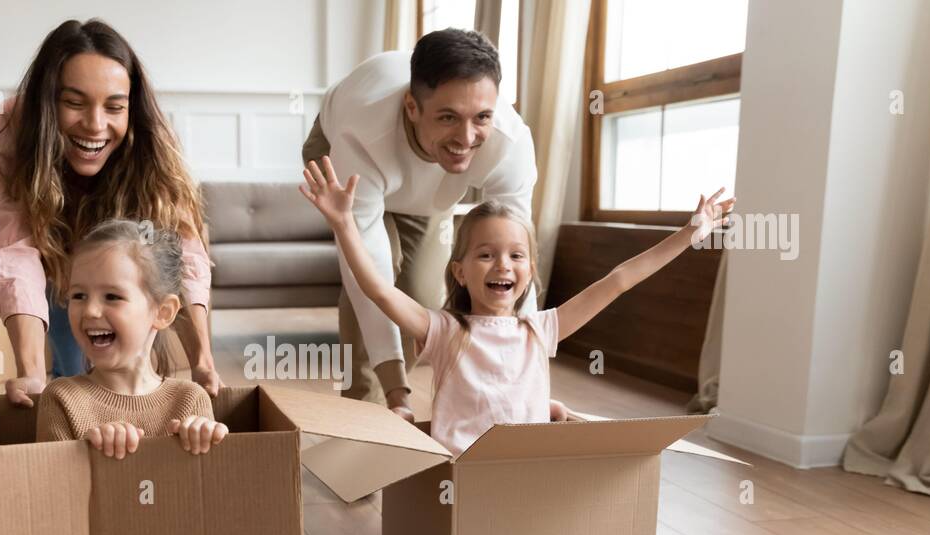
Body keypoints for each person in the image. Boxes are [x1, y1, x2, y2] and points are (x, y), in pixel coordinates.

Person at [301, 155, 735, 456]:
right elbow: (380, 291)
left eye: (516, 255)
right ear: (460, 271)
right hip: (461, 472)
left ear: (529, 270)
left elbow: (619, 280)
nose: (502, 264)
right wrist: (344, 225)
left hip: (525, 467)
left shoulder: (540, 328)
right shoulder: (445, 330)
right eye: (485, 254)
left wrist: (687, 235)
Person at [0, 19, 221, 407]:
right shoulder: (7, 139)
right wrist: (31, 370)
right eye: (73, 102)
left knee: (128, 375)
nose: (94, 125)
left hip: (128, 265)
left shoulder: (152, 139)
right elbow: (15, 251)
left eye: (113, 107)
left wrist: (202, 359)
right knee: (70, 383)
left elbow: (180, 251)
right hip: (56, 264)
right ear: (47, 100)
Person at [302, 28, 537, 422]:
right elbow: (370, 282)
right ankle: (367, 417)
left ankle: (394, 405)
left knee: (424, 296)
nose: (466, 137)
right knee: (379, 268)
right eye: (448, 117)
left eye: (481, 117)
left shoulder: (509, 145)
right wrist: (396, 390)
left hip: (428, 188)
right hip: (346, 156)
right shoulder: (361, 131)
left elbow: (518, 263)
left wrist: (526, 374)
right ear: (411, 107)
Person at [35, 219, 228, 458]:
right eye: (79, 295)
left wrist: (207, 446)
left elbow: (206, 488)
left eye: (112, 296)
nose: (90, 311)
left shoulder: (190, 399)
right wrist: (87, 455)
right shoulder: (60, 399)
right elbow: (50, 489)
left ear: (163, 312)